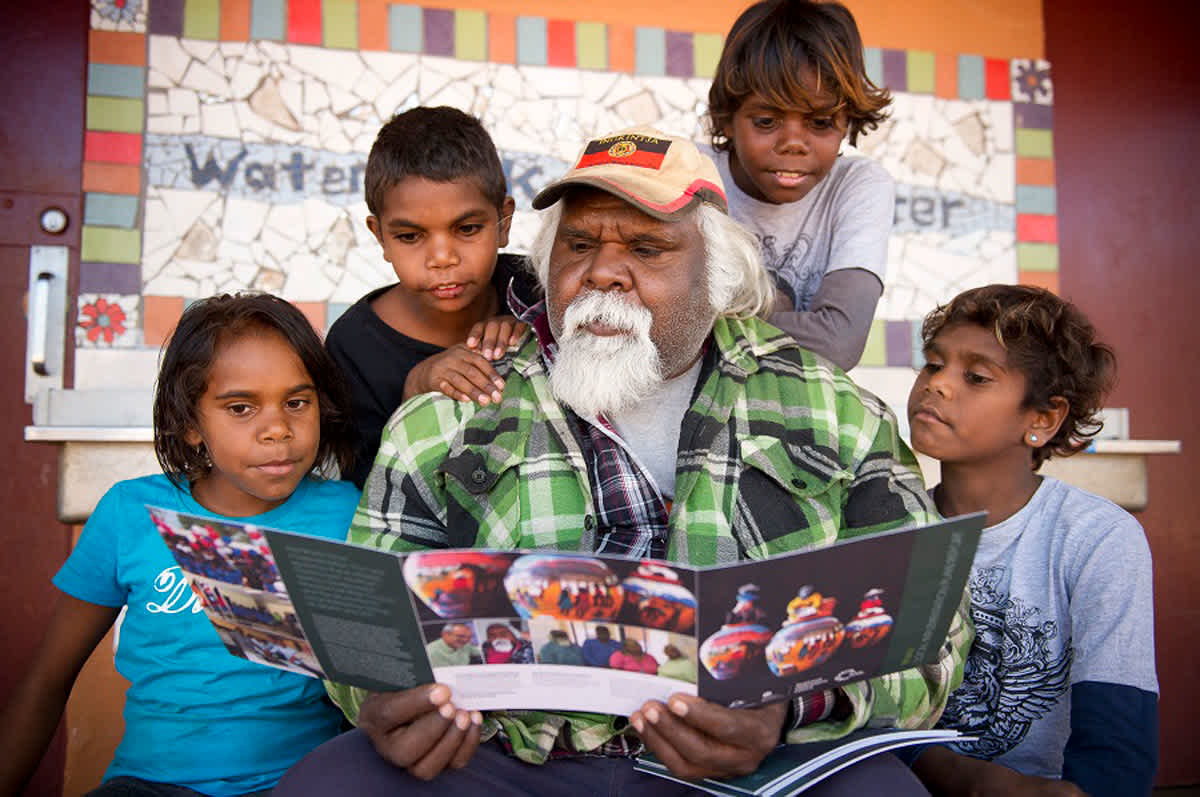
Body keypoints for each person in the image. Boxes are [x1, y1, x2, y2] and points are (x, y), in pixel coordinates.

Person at [276, 127, 966, 795]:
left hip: (751, 762)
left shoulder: (828, 407)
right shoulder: (454, 407)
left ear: (716, 276)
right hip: (507, 756)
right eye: (578, 245)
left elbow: (934, 629)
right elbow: (364, 621)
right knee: (329, 781)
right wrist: (384, 694)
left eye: (647, 247)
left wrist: (793, 707)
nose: (603, 271)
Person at [0, 293, 360, 796]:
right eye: (240, 407)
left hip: (298, 784)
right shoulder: (132, 514)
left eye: (297, 402)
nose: (278, 429)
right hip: (149, 786)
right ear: (190, 424)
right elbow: (47, 680)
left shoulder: (347, 514)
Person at [905, 284, 1158, 796]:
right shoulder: (893, 529)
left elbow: (1118, 751)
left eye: (975, 377)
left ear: (1042, 420)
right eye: (934, 364)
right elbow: (868, 715)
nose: (938, 385)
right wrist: (961, 776)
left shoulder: (1098, 538)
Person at [325, 105, 535, 487]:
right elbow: (373, 492)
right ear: (380, 237)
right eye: (410, 236)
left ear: (503, 222)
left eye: (468, 228)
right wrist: (416, 391)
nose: (442, 258)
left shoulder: (532, 290)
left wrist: (532, 334)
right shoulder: (353, 347)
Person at [705, 0, 893, 370]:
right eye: (765, 121)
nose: (794, 142)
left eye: (821, 122)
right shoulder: (692, 175)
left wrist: (711, 317)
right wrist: (779, 313)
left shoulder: (856, 187)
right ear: (727, 119)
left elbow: (838, 344)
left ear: (848, 123)